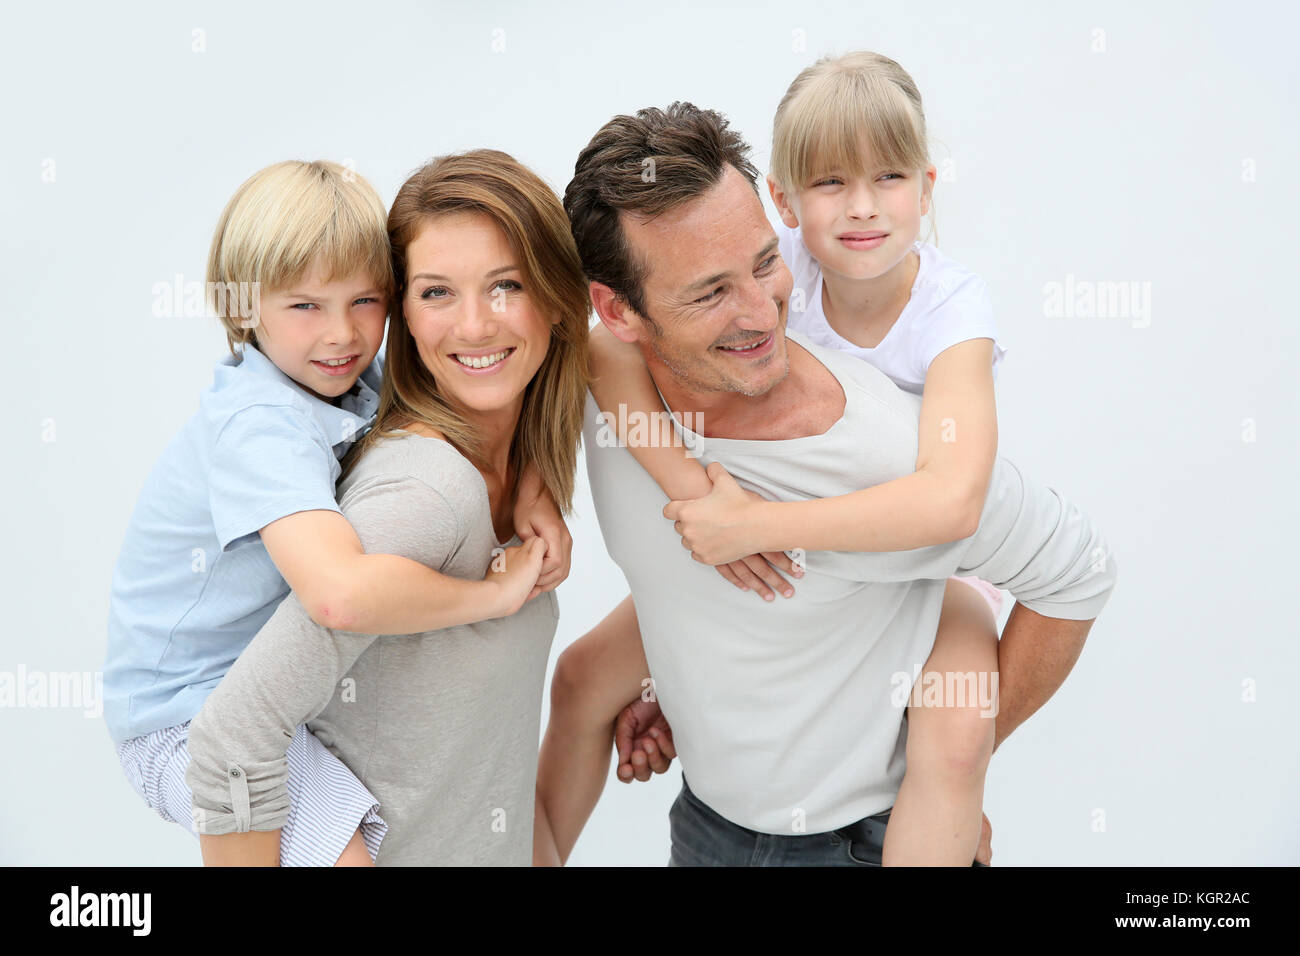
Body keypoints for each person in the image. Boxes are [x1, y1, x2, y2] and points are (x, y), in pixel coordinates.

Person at [536, 100, 1118, 867]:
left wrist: (953, 763)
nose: (760, 313)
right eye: (711, 292)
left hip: (860, 845)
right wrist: (672, 689)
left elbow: (1076, 574)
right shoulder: (602, 381)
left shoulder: (888, 454)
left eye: (764, 263)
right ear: (620, 312)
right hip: (705, 829)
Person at [183, 149, 597, 865]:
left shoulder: (503, 464)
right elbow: (232, 735)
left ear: (557, 298)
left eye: (506, 286)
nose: (473, 325)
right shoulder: (425, 492)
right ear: (403, 313)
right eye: (437, 293)